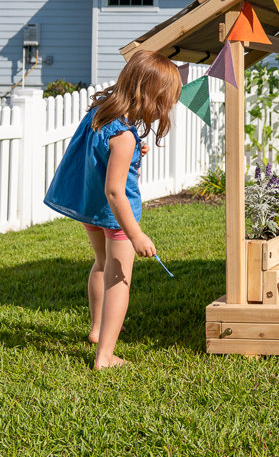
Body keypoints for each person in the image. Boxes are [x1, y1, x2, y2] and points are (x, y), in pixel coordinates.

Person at [44, 51, 182, 368]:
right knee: (119, 279)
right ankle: (105, 355)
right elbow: (115, 190)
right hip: (116, 217)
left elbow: (102, 154)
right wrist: (135, 234)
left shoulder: (101, 113)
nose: (166, 107)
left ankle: (96, 330)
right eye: (166, 99)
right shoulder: (124, 136)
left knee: (101, 264)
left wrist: (135, 147)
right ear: (151, 95)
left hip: (91, 209)